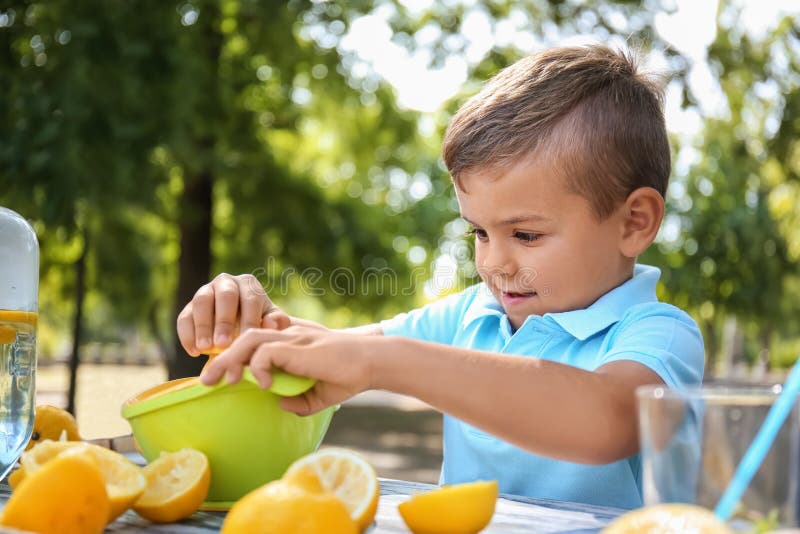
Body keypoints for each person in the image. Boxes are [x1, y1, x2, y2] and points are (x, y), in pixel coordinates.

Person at [176, 44, 704, 509]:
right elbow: (330, 355)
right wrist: (257, 327)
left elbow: (605, 420)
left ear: (634, 222)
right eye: (478, 233)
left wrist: (382, 361)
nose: (494, 263)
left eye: (525, 235)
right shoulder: (471, 316)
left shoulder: (658, 334)